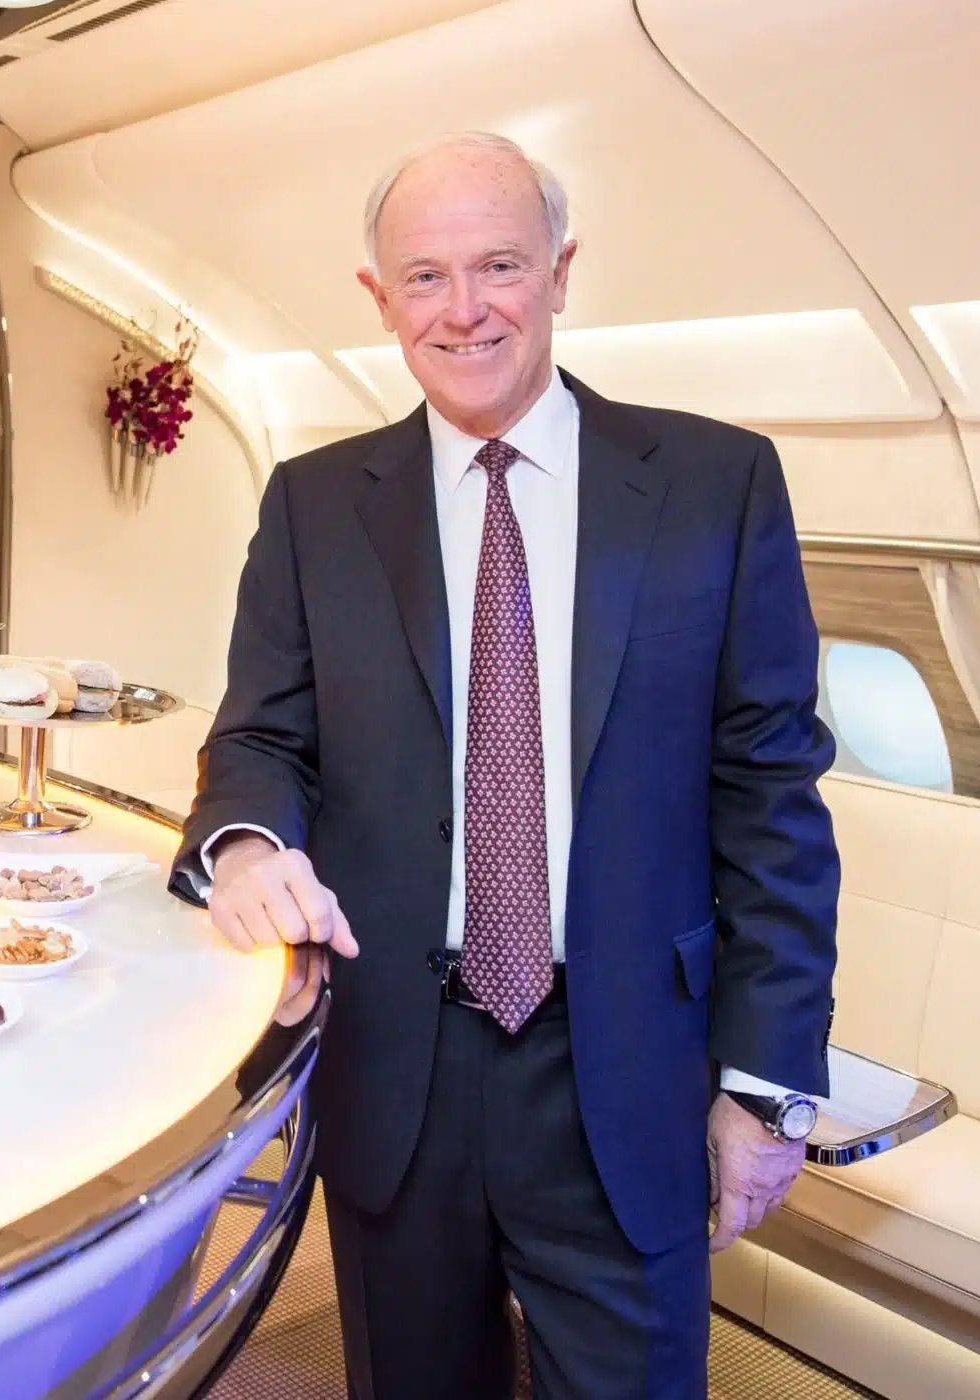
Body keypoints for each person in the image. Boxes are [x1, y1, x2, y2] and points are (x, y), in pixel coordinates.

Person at [174, 134, 839, 1399]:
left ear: (562, 271)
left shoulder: (713, 485)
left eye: (498, 267)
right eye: (423, 278)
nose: (463, 309)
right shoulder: (315, 504)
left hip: (629, 1069)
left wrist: (767, 1088)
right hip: (397, 1072)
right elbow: (260, 736)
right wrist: (250, 845)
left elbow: (771, 800)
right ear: (376, 299)